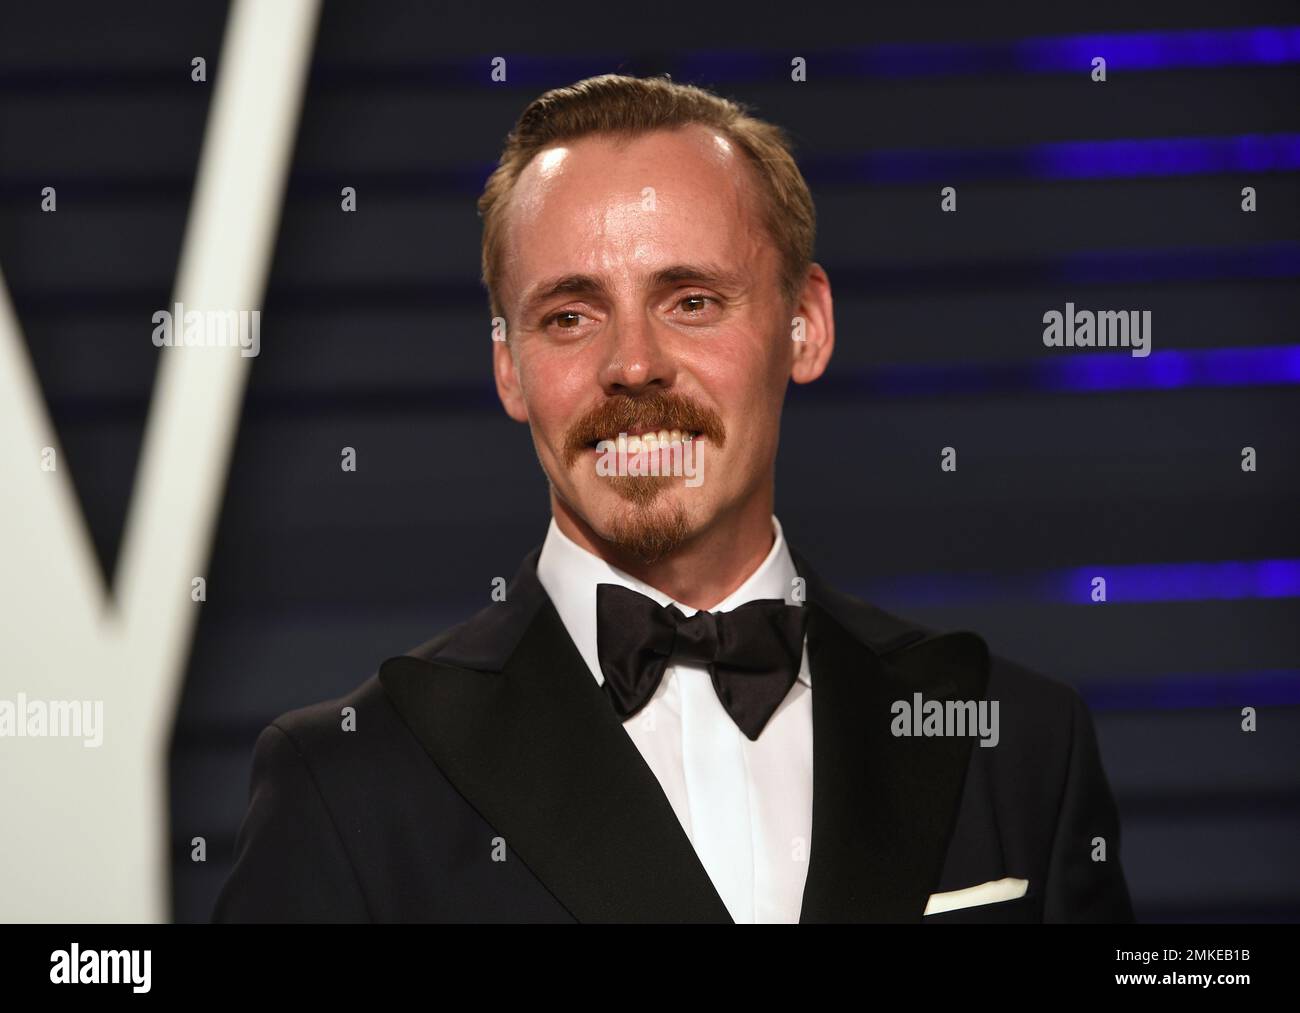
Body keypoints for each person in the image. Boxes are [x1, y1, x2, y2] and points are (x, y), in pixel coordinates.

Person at [213, 73, 1134, 923]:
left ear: (805, 326)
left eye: (690, 299)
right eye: (569, 315)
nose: (633, 364)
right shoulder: (349, 782)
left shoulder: (1017, 744)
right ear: (509, 366)